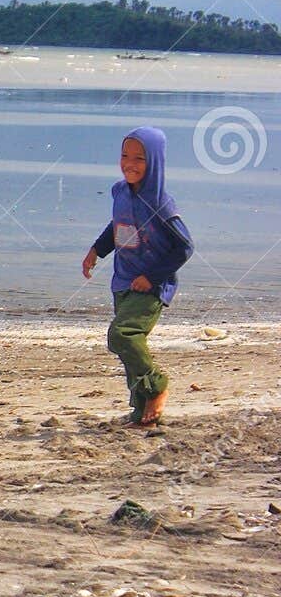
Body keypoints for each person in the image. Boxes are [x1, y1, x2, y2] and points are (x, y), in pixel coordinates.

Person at [81, 126, 194, 428]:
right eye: (124, 155)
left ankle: (157, 386)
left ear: (154, 162)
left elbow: (184, 247)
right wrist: (96, 250)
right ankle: (142, 411)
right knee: (130, 345)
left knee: (123, 335)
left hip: (150, 287)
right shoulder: (120, 192)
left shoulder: (161, 204)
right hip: (122, 282)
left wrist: (152, 277)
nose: (129, 163)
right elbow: (116, 226)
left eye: (139, 158)